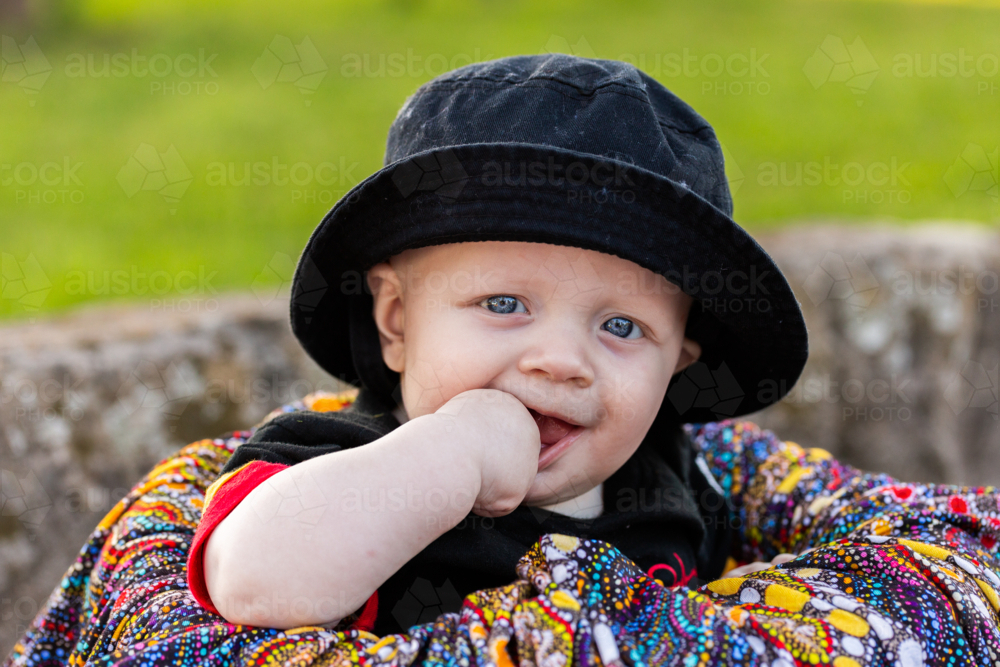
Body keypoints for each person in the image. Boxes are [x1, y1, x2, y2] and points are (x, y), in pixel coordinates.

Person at [10, 54, 1000, 667]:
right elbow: (250, 585)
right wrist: (448, 459)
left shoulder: (680, 488)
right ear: (395, 322)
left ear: (679, 360)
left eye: (621, 329)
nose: (560, 360)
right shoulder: (328, 458)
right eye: (502, 304)